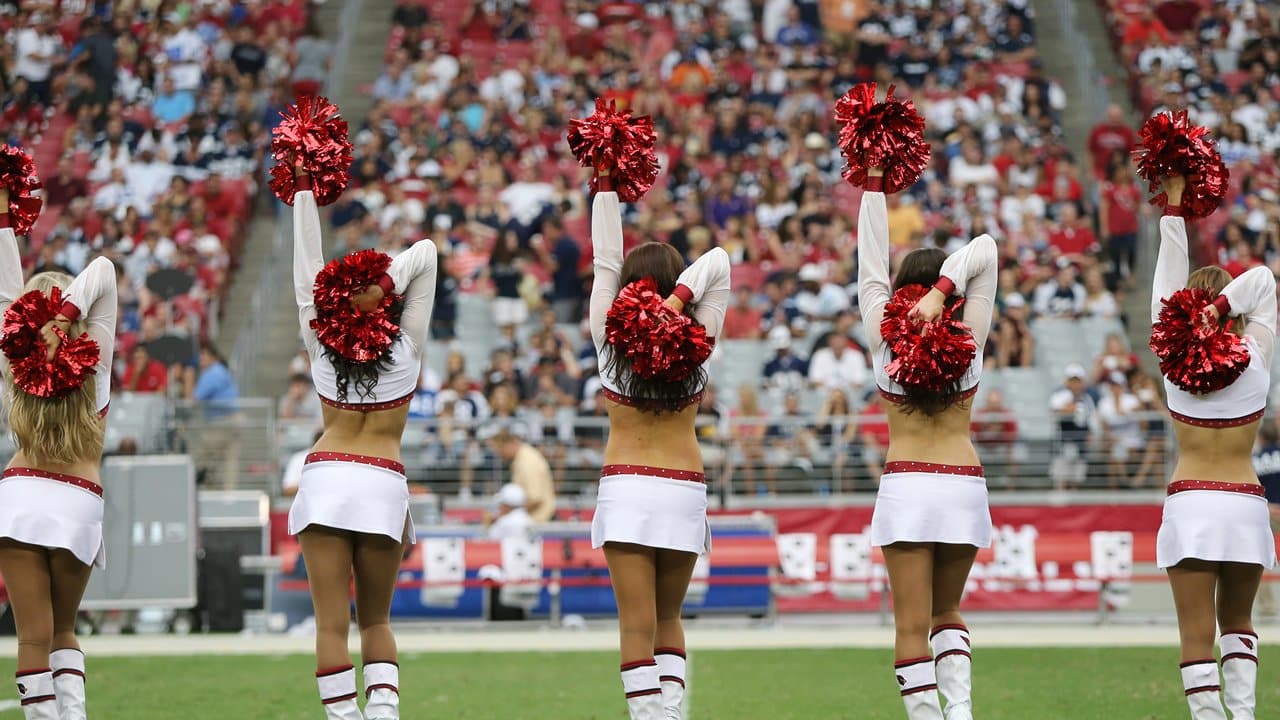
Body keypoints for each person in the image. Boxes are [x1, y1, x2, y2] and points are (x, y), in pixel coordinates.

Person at [287, 162, 438, 720]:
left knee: (330, 625)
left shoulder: (319, 337)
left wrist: (304, 188)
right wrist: (383, 289)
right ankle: (383, 713)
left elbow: (306, 261)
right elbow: (425, 252)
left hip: (326, 475)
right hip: (381, 477)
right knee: (376, 620)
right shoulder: (408, 346)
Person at [589, 165, 729, 720]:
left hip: (626, 485)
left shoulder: (609, 334)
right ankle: (669, 713)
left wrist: (605, 183)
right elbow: (719, 261)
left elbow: (604, 260)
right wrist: (679, 300)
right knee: (669, 617)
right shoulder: (699, 335)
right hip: (682, 486)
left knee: (635, 623)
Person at [858, 165, 997, 720]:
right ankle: (960, 711)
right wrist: (946, 292)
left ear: (899, 289)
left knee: (910, 624)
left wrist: (873, 181)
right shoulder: (970, 335)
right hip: (962, 481)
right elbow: (985, 248)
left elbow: (869, 262)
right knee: (948, 610)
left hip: (907, 482)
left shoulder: (884, 333)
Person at [1151, 174, 1276, 720]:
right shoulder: (1257, 354)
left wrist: (1174, 206)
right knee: (1240, 625)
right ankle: (1243, 715)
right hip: (1245, 500)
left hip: (1192, 500)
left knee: (1195, 634)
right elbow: (1264, 279)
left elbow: (1165, 278)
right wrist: (1224, 308)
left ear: (1180, 311)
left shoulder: (1172, 359)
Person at [0, 185, 116, 720]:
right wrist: (69, 313)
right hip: (78, 497)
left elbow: (5, 290)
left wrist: (5, 214)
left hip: (19, 496)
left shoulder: (15, 365)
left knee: (31, 638)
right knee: (64, 629)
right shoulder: (95, 363)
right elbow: (104, 269)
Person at [488, 429, 556, 523]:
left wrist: (507, 514)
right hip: (531, 521)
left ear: (509, 444)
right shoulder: (521, 459)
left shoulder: (528, 462)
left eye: (500, 450)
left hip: (537, 522)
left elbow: (535, 498)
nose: (500, 455)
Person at [1252, 419, 1280, 617]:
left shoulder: (1255, 460)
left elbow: (1253, 489)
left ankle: (1267, 606)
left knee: (1262, 558)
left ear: (1261, 438)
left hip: (1266, 511)